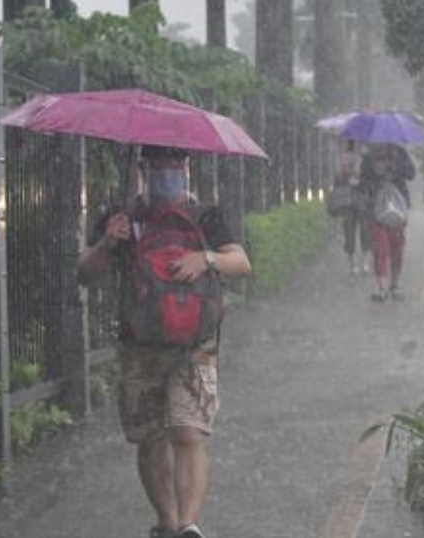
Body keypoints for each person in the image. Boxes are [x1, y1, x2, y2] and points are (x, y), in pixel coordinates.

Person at [77, 146, 251, 538]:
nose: (167, 173)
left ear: (187, 168)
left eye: (175, 166)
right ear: (142, 168)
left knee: (189, 432)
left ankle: (189, 525)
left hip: (196, 344)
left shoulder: (205, 215)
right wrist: (108, 242)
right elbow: (85, 274)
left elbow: (240, 262)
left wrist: (204, 258)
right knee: (151, 438)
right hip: (139, 347)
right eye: (158, 166)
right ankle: (167, 524)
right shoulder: (122, 218)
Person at [360, 144, 415, 302]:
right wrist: (376, 176)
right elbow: (362, 182)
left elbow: (411, 174)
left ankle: (395, 285)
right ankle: (381, 287)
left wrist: (395, 169)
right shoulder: (369, 155)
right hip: (376, 208)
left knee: (397, 248)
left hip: (398, 207)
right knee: (380, 247)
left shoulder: (400, 152)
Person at [334, 139, 371, 273]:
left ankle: (359, 263)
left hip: (358, 198)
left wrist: (358, 178)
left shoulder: (364, 158)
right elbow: (337, 178)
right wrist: (347, 174)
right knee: (353, 231)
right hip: (350, 199)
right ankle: (356, 263)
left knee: (361, 230)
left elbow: (368, 178)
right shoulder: (343, 159)